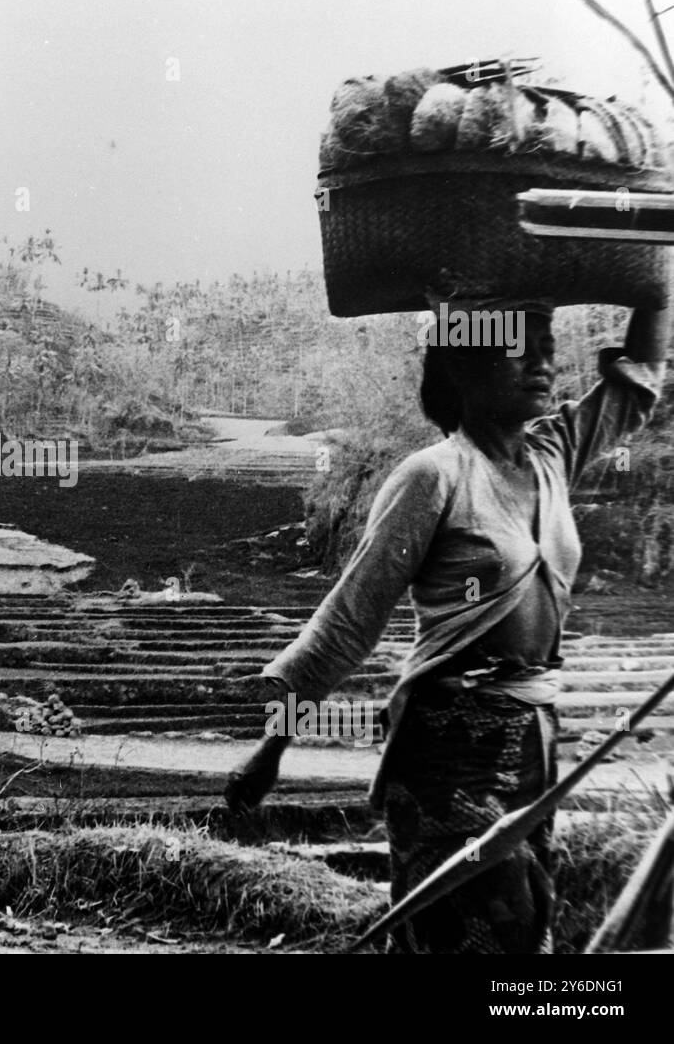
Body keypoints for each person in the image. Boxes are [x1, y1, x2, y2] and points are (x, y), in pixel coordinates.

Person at [224, 286, 670, 953]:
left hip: (534, 744)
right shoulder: (433, 475)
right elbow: (350, 616)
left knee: (517, 930)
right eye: (519, 349)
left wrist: (653, 276)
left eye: (547, 347)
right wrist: (273, 745)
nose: (543, 362)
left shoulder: (550, 456)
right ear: (464, 367)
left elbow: (637, 382)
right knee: (482, 934)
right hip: (448, 749)